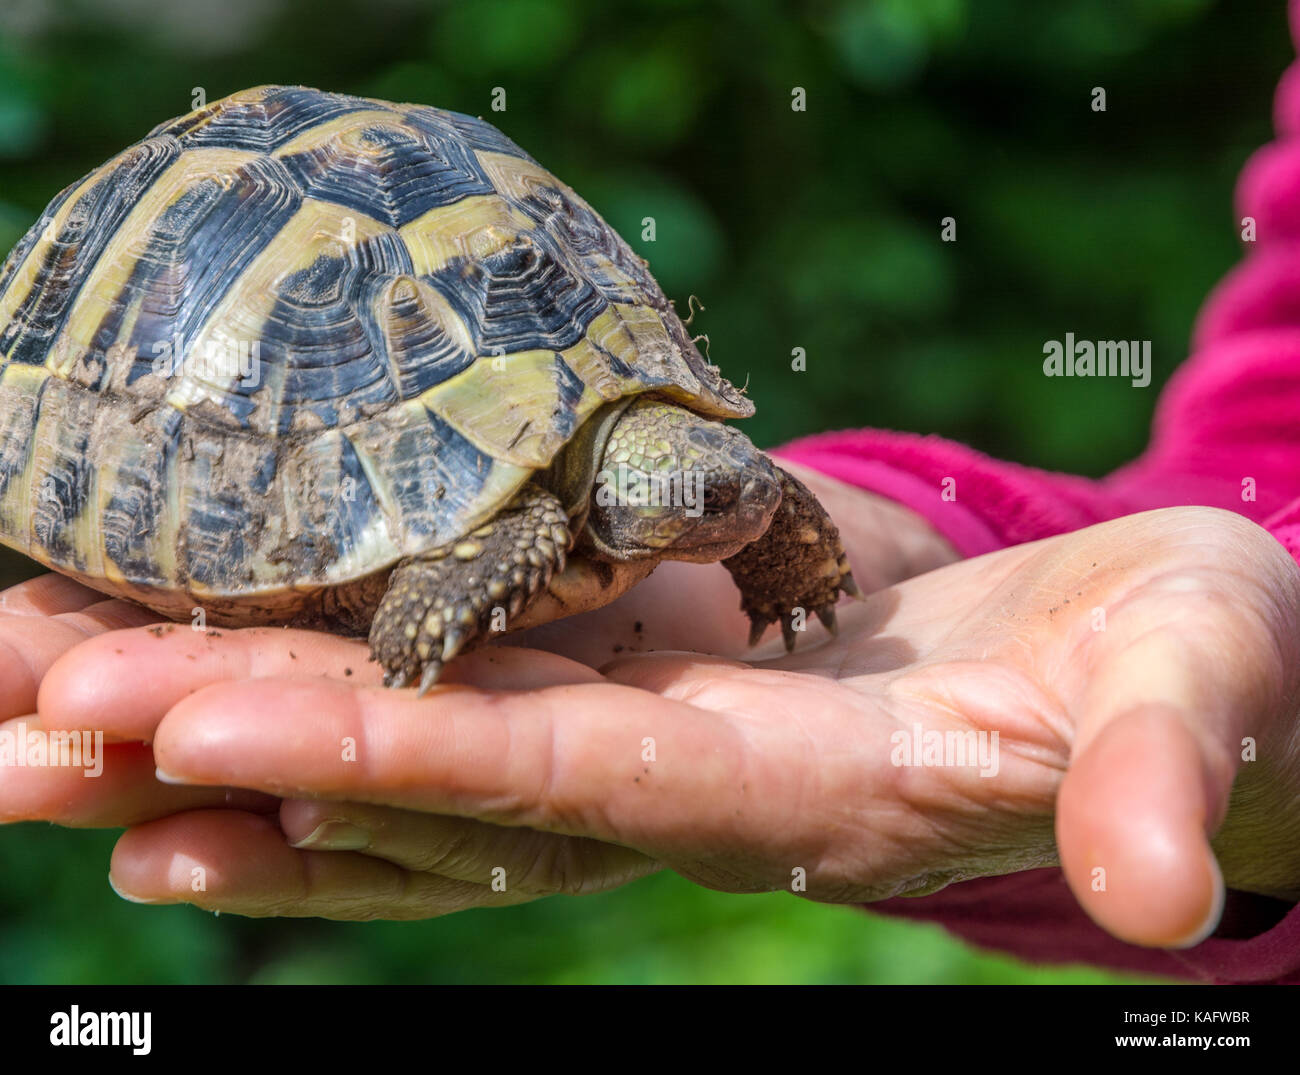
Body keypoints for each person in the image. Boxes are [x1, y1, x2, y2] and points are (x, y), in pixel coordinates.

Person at [7, 6, 1300, 987]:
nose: (731, 506)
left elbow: (748, 491)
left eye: (723, 495)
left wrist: (805, 551)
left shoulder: (695, 482)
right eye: (695, 498)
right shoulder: (528, 516)